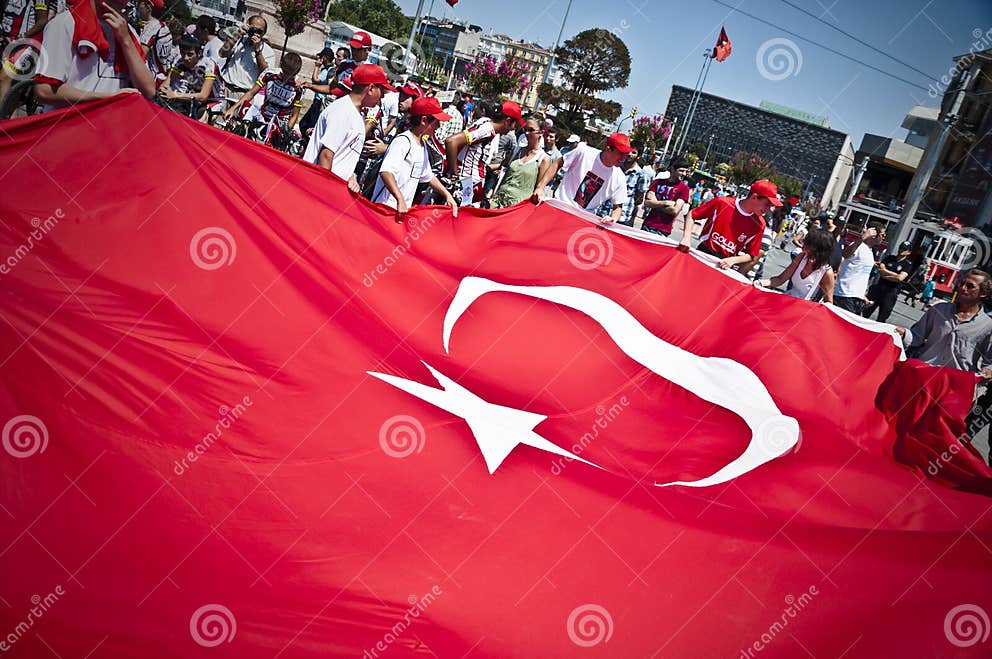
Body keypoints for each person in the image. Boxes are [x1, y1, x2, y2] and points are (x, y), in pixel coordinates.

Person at [34, 0, 155, 110]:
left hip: (111, 127)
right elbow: (44, 91)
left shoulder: (128, 32)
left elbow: (149, 90)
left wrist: (125, 40)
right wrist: (103, 98)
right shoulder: (64, 24)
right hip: (70, 127)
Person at [304, 63, 394, 191]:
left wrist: (350, 176)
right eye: (382, 90)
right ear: (371, 88)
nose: (383, 96)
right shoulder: (342, 111)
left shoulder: (355, 113)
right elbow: (326, 155)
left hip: (334, 188)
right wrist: (322, 191)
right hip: (319, 188)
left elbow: (343, 153)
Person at [370, 96, 458, 220]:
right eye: (436, 121)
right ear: (424, 120)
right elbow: (386, 172)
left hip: (399, 211)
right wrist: (400, 199)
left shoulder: (422, 146)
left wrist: (447, 195)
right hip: (385, 209)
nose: (438, 126)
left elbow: (428, 176)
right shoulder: (403, 142)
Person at [895, 269, 992, 371]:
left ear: (983, 293)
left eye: (970, 286)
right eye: (962, 283)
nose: (963, 288)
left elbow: (989, 361)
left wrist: (988, 371)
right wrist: (904, 333)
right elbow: (916, 337)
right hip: (923, 372)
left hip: (954, 382)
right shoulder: (938, 309)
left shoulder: (987, 325)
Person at [531, 132, 632, 223]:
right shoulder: (584, 152)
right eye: (620, 153)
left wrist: (613, 218)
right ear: (608, 149)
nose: (624, 158)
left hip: (582, 221)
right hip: (558, 209)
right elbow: (558, 163)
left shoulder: (620, 177)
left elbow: (618, 207)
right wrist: (540, 187)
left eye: (626, 154)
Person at [678, 179, 779, 269]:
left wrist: (734, 260)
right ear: (754, 197)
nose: (768, 209)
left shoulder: (760, 224)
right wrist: (686, 237)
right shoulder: (722, 203)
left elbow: (751, 254)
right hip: (702, 254)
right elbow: (692, 215)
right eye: (767, 204)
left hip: (725, 265)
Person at [444, 100, 523, 207]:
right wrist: (455, 176)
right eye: (516, 125)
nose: (514, 129)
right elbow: (451, 141)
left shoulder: (486, 123)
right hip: (465, 185)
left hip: (471, 185)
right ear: (508, 121)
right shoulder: (487, 129)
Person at [224, 51, 303, 142]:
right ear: (281, 65)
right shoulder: (269, 73)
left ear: (297, 72)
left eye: (290, 74)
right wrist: (233, 108)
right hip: (262, 117)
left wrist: (285, 134)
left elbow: (294, 115)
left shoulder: (299, 87)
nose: (286, 77)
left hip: (280, 124)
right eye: (285, 72)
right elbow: (251, 93)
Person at [0, 0, 60, 102]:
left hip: (25, 43)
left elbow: (42, 21)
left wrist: (21, 37)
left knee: (5, 77)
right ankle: (10, 116)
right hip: (5, 38)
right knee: (11, 100)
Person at [755, 229, 836, 302]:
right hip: (788, 301)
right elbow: (780, 279)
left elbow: (828, 302)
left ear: (819, 250)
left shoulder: (826, 273)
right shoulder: (801, 257)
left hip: (804, 310)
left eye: (808, 245)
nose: (803, 246)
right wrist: (761, 282)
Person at [490, 115, 550, 209]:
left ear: (541, 133)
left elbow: (539, 188)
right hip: (497, 201)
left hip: (517, 208)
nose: (526, 133)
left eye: (531, 130)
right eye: (525, 129)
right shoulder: (516, 151)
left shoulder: (544, 159)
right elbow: (503, 170)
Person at [158, 35, 225, 117]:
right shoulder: (179, 60)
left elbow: (203, 96)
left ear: (199, 53)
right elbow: (167, 83)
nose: (185, 58)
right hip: (191, 96)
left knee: (203, 116)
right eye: (183, 53)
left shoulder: (208, 64)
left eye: (190, 54)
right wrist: (164, 90)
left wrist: (175, 95)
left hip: (212, 100)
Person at [833, 222, 885, 314]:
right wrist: (862, 237)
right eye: (882, 234)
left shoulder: (870, 250)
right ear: (873, 234)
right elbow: (845, 254)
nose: (884, 237)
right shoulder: (858, 245)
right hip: (845, 295)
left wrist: (861, 295)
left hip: (856, 297)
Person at [218, 14, 275, 96]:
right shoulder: (238, 39)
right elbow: (222, 53)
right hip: (225, 87)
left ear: (264, 33)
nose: (256, 33)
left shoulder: (268, 51)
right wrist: (237, 34)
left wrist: (257, 50)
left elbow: (265, 74)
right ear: (248, 27)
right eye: (253, 29)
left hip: (245, 93)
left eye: (260, 31)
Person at [863, 241, 913, 323]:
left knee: (882, 317)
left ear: (908, 252)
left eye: (904, 249)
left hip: (891, 292)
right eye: (901, 247)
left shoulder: (907, 265)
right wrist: (894, 275)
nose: (901, 250)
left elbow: (900, 278)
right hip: (879, 288)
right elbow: (881, 270)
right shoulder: (889, 258)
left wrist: (886, 273)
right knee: (866, 310)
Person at [642, 157, 691, 236]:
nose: (684, 174)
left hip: (663, 229)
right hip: (648, 224)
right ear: (672, 169)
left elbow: (674, 210)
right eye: (681, 171)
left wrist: (655, 204)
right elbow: (647, 203)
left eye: (686, 171)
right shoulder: (657, 182)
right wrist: (666, 203)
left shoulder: (684, 189)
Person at [299, 48, 335, 137]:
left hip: (319, 102)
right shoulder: (328, 69)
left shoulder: (327, 70)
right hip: (317, 102)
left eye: (321, 57)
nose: (319, 59)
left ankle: (306, 145)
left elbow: (315, 80)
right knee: (304, 124)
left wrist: (317, 66)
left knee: (308, 126)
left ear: (325, 57)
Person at [136, 0, 173, 82]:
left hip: (151, 78)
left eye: (140, 3)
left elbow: (140, 55)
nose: (138, 7)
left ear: (148, 6)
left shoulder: (152, 27)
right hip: (161, 77)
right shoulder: (163, 27)